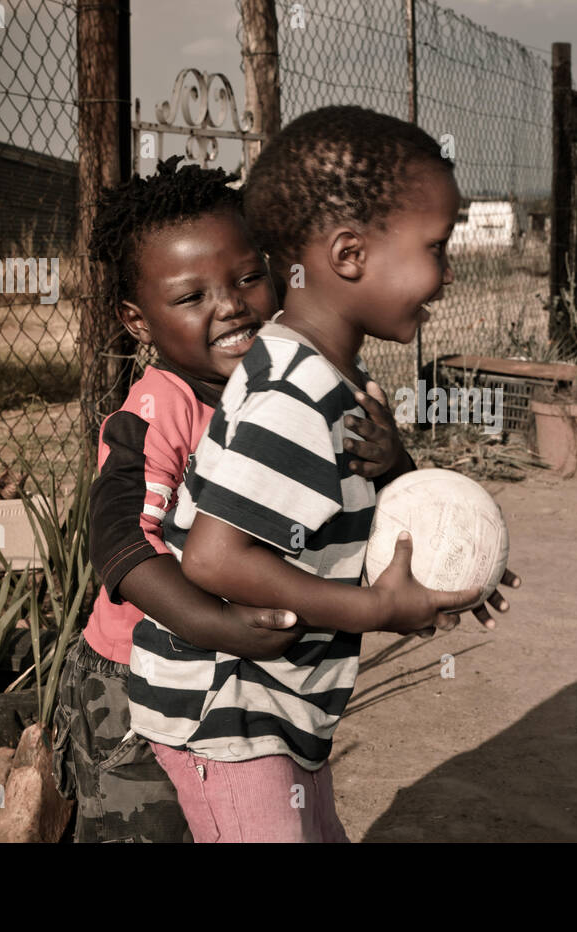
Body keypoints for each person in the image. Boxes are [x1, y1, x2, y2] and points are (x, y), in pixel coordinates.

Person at [129, 106, 520, 842]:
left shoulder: (326, 374)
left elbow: (318, 515)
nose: (448, 270)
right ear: (348, 254)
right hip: (229, 713)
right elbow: (217, 556)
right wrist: (378, 609)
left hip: (286, 705)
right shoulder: (294, 395)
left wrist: (445, 548)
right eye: (436, 247)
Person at [53, 156, 426, 841]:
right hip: (136, 680)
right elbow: (121, 542)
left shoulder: (299, 389)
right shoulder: (157, 411)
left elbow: (355, 514)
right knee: (150, 830)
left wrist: (391, 462)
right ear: (137, 321)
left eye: (247, 277)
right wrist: (216, 625)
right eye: (191, 297)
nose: (229, 305)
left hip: (261, 677)